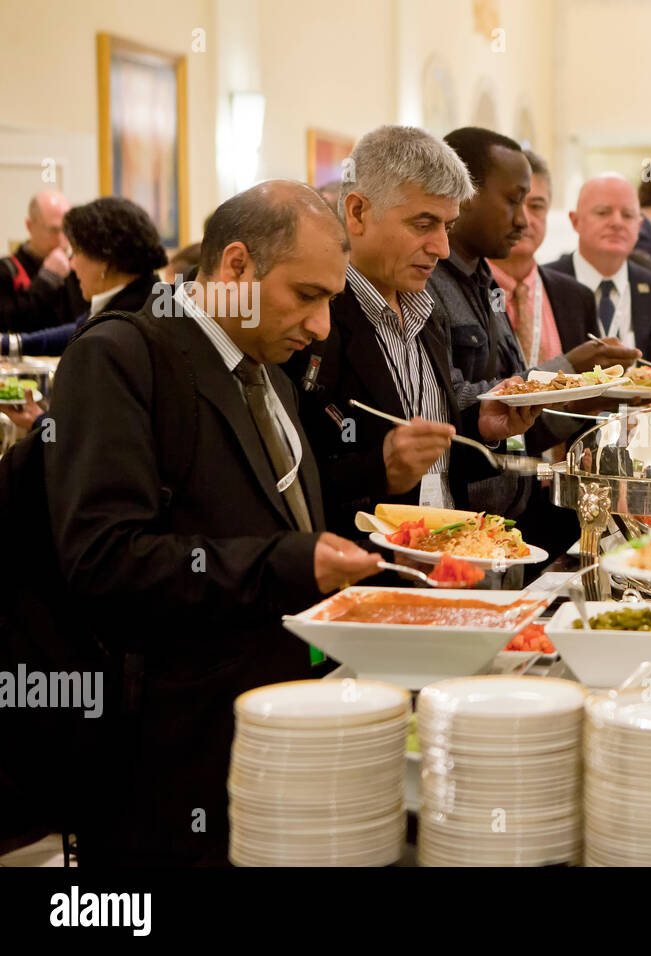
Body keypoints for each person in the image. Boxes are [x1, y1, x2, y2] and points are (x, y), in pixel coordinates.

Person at [45, 181, 383, 865]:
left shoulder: (269, 363)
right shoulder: (120, 356)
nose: (321, 327)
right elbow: (103, 559)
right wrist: (286, 563)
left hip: (275, 725)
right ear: (236, 268)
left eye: (331, 301)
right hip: (169, 754)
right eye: (307, 295)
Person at [286, 125, 534, 533]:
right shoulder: (314, 320)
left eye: (447, 227)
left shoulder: (426, 311)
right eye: (423, 225)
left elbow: (435, 465)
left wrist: (481, 426)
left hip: (448, 554)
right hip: (367, 576)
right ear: (358, 212)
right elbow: (287, 483)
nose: (442, 248)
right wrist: (377, 471)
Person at [435, 127, 637, 548]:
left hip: (513, 508)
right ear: (464, 192)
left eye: (532, 204)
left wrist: (591, 399)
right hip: (459, 520)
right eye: (512, 201)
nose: (523, 220)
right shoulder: (431, 284)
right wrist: (568, 368)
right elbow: (450, 408)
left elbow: (514, 417)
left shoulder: (483, 279)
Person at [546, 174, 651, 372]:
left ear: (638, 226)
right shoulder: (544, 285)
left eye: (628, 215)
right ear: (575, 221)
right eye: (603, 212)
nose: (617, 223)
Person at [1, 198, 167, 362]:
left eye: (77, 251)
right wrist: (11, 343)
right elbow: (80, 327)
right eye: (53, 230)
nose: (72, 263)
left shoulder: (115, 331)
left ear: (103, 259)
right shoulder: (147, 300)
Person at [488, 149, 603, 365]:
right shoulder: (466, 292)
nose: (524, 219)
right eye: (513, 203)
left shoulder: (576, 298)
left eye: (536, 206)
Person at [0, 190, 87, 334]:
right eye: (53, 230)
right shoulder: (6, 270)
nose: (61, 239)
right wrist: (47, 281)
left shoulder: (77, 267)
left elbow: (84, 321)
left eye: (66, 230)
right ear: (29, 226)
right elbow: (9, 322)